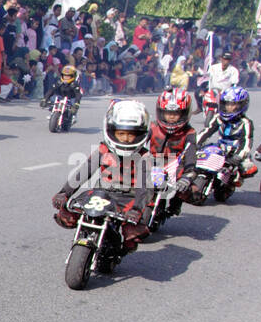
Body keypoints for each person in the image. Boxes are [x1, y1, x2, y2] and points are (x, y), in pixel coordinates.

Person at [51, 100, 154, 251]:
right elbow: (83, 172)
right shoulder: (103, 150)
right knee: (70, 209)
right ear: (111, 131)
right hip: (102, 193)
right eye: (120, 133)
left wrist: (137, 209)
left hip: (130, 197)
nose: (125, 138)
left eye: (130, 134)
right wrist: (63, 193)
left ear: (141, 133)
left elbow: (145, 186)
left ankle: (122, 246)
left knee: (135, 229)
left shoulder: (145, 157)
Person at [195, 86, 256, 187]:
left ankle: (235, 177)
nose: (229, 107)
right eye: (226, 104)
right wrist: (196, 143)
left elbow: (247, 141)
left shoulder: (246, 122)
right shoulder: (218, 118)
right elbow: (207, 132)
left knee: (247, 167)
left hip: (235, 151)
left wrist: (238, 156)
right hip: (221, 147)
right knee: (198, 156)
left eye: (233, 105)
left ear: (242, 105)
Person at [152, 88, 199, 212]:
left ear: (184, 113)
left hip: (175, 167)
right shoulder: (152, 127)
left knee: (192, 190)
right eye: (167, 113)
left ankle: (176, 203)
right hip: (152, 163)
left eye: (176, 113)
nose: (171, 117)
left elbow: (191, 154)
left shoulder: (189, 132)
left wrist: (187, 175)